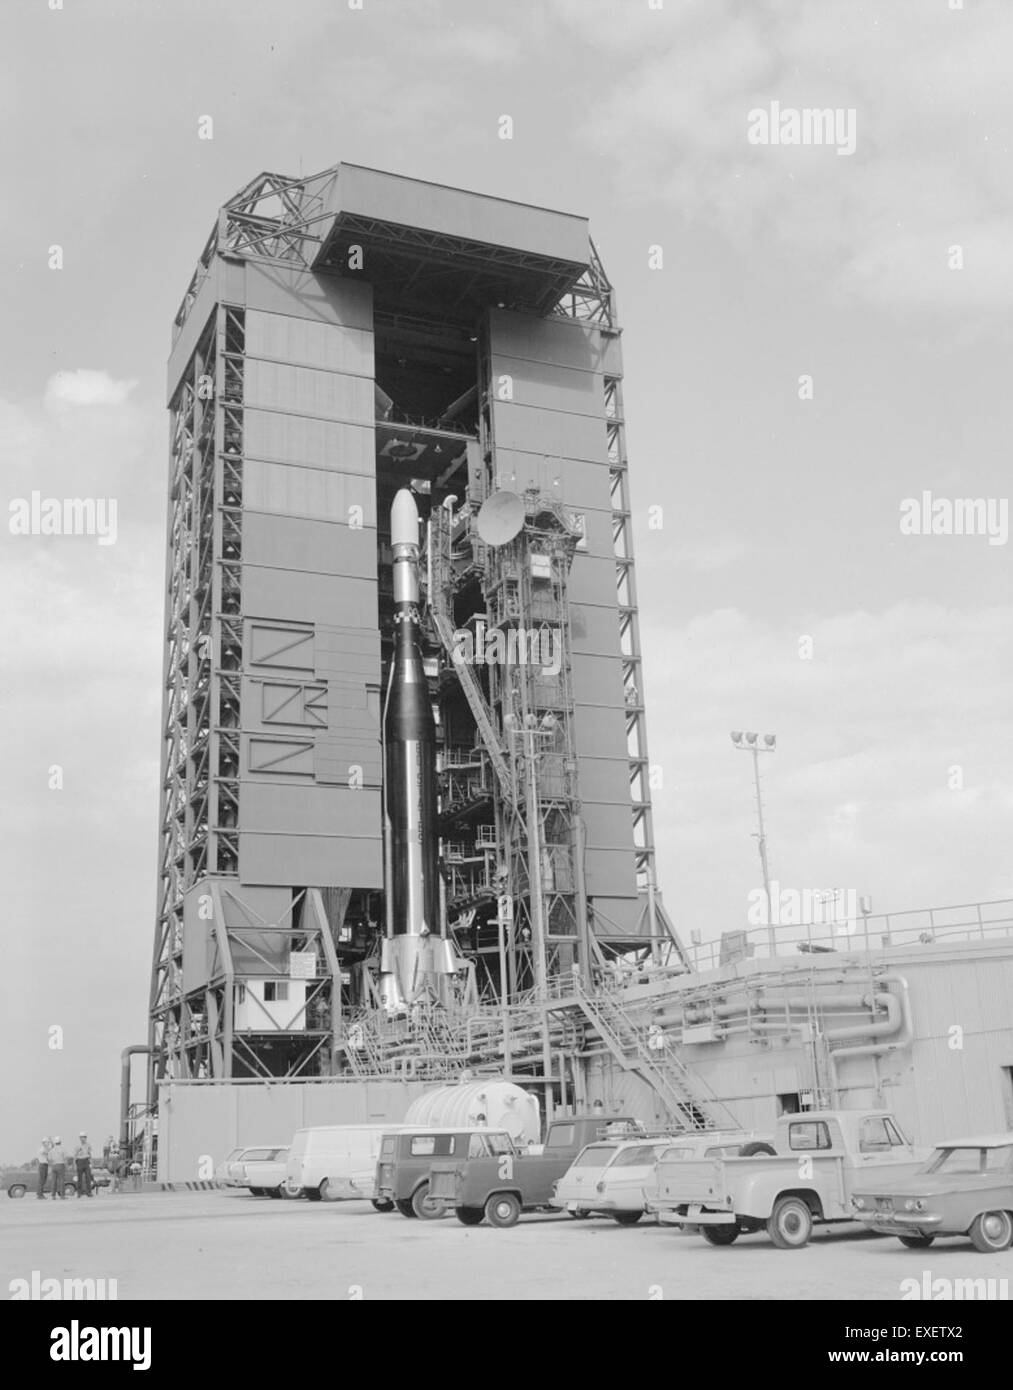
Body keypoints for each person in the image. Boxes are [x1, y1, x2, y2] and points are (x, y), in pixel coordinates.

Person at [74, 1133, 94, 1197]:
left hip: (86, 1161)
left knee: (88, 1177)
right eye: (81, 1137)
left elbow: (89, 1153)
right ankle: (79, 1193)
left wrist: (91, 1162)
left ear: (86, 1138)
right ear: (79, 1138)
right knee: (79, 1178)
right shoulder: (77, 1146)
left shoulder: (88, 1145)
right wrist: (74, 1164)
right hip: (79, 1161)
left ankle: (89, 1192)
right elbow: (75, 1155)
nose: (83, 1138)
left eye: (84, 1137)